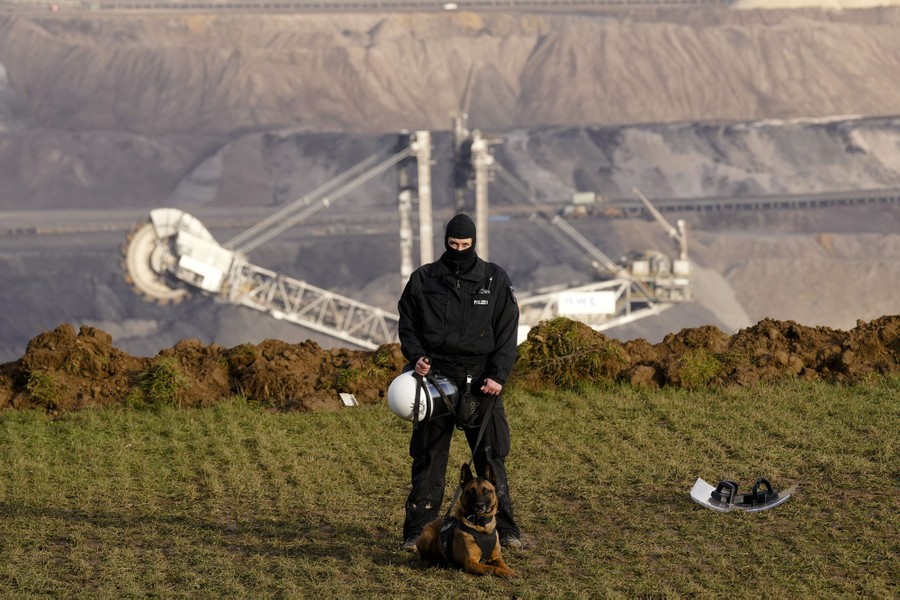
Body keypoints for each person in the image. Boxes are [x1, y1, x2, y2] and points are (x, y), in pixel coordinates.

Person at [397, 213, 523, 552]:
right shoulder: (423, 279)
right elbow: (408, 325)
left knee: (491, 459)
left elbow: (507, 332)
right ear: (445, 241)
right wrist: (417, 356)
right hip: (436, 380)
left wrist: (498, 375)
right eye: (453, 244)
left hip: (482, 381)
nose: (458, 250)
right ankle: (418, 533)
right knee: (429, 458)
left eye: (465, 245)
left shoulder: (494, 280)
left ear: (474, 243)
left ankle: (506, 531)